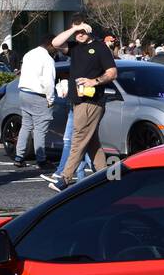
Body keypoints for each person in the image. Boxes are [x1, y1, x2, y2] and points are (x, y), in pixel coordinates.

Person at [42, 15, 116, 189]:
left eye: (82, 31)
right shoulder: (75, 47)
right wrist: (74, 29)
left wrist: (94, 81)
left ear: (89, 29)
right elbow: (56, 43)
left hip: (91, 102)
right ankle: (105, 178)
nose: (79, 35)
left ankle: (64, 179)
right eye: (77, 32)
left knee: (78, 140)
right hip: (76, 102)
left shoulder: (100, 48)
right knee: (92, 143)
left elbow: (112, 72)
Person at [12, 31, 56, 169]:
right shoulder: (48, 59)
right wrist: (51, 98)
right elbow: (49, 82)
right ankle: (41, 159)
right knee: (40, 129)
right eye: (56, 47)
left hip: (24, 93)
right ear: (50, 44)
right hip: (38, 95)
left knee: (26, 126)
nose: (57, 50)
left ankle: (19, 157)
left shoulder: (29, 54)